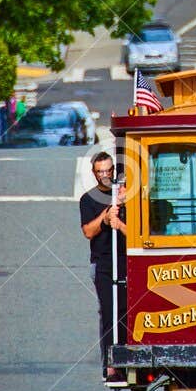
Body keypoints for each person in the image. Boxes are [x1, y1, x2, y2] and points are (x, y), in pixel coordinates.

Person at [79, 151, 127, 375]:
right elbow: (88, 231)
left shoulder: (125, 196)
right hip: (103, 263)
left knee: (127, 310)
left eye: (108, 170)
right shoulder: (88, 199)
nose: (105, 175)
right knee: (108, 311)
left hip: (126, 260)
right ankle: (110, 363)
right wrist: (106, 217)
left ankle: (128, 356)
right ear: (94, 173)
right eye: (100, 172)